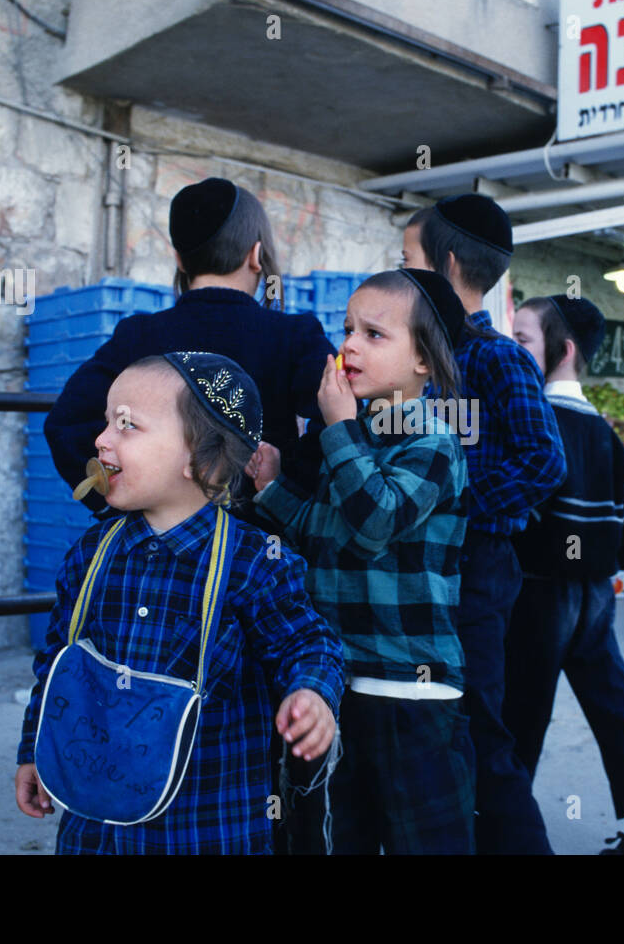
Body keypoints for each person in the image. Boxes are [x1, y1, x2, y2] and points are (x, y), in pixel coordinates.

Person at [15, 352, 343, 854]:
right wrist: (35, 749)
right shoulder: (89, 554)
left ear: (202, 459)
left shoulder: (255, 562)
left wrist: (312, 694)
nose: (101, 439)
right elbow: (58, 661)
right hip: (96, 831)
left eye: (127, 425)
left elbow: (309, 642)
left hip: (206, 828)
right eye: (107, 421)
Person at [251, 269, 474, 854]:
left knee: (424, 841)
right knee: (333, 833)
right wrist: (272, 487)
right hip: (340, 685)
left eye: (374, 334)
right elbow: (326, 534)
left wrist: (338, 428)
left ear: (424, 361)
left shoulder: (431, 439)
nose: (348, 344)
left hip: (412, 693)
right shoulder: (348, 437)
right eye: (347, 328)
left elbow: (376, 522)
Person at [403, 195, 566, 855]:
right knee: (434, 725)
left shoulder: (496, 358)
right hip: (420, 571)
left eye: (406, 261)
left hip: (476, 569)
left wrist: (455, 507)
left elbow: (542, 460)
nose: (400, 275)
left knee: (479, 726)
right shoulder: (416, 352)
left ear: (444, 265)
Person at [44, 177, 334, 515]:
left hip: (160, 536)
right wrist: (286, 492)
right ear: (256, 255)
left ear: (180, 260)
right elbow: (340, 421)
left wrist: (118, 500)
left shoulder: (138, 334)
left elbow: (66, 424)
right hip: (262, 538)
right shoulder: (295, 335)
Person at [507, 294, 624, 855]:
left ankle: (512, 835)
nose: (513, 351)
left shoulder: (536, 424)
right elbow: (616, 516)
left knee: (521, 717)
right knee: (611, 708)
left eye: (523, 340)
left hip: (538, 592)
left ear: (564, 350)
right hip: (597, 594)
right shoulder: (608, 436)